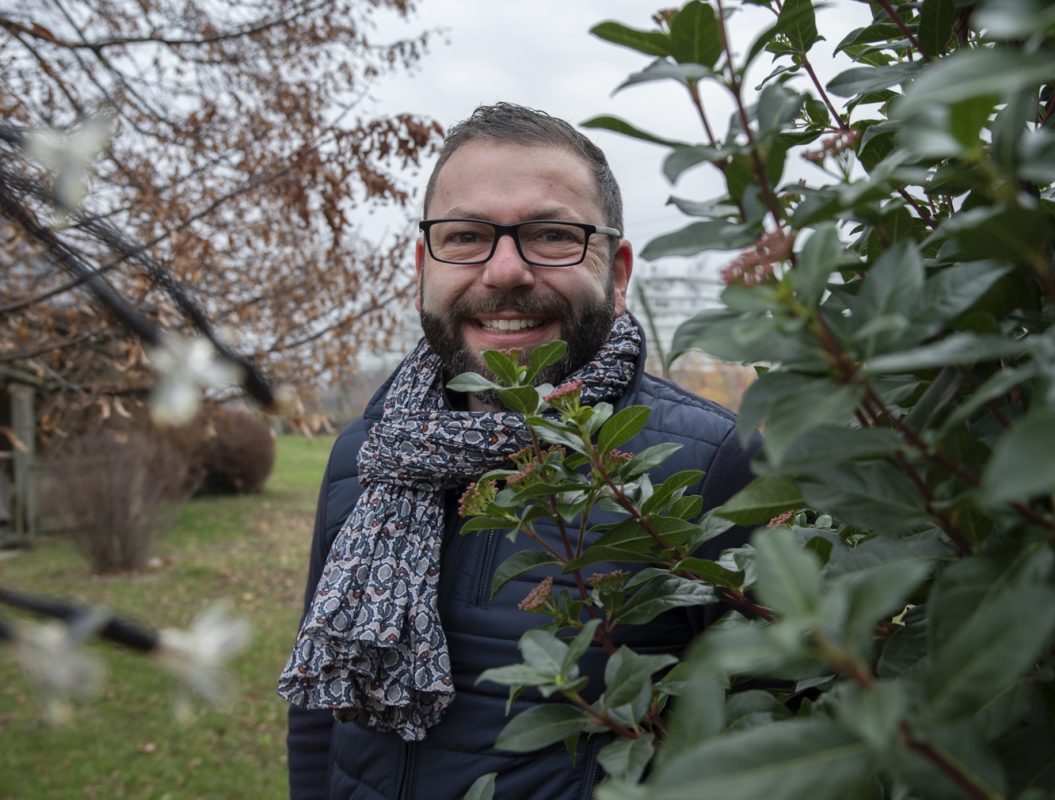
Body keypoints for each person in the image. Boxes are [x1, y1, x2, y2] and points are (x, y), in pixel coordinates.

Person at [279, 102, 756, 800]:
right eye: (466, 236)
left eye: (553, 235)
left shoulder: (712, 465)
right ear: (423, 267)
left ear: (618, 273)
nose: (504, 271)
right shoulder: (366, 454)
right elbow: (321, 711)